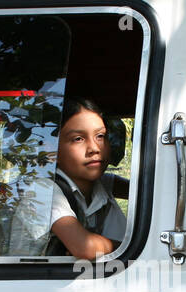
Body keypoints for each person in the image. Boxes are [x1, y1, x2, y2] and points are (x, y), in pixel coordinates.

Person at [22, 98, 127, 260]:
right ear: (51, 151)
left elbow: (149, 189)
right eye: (78, 139)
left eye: (100, 136)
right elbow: (84, 247)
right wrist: (126, 245)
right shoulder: (42, 191)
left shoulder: (101, 185)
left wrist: (104, 246)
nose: (94, 148)